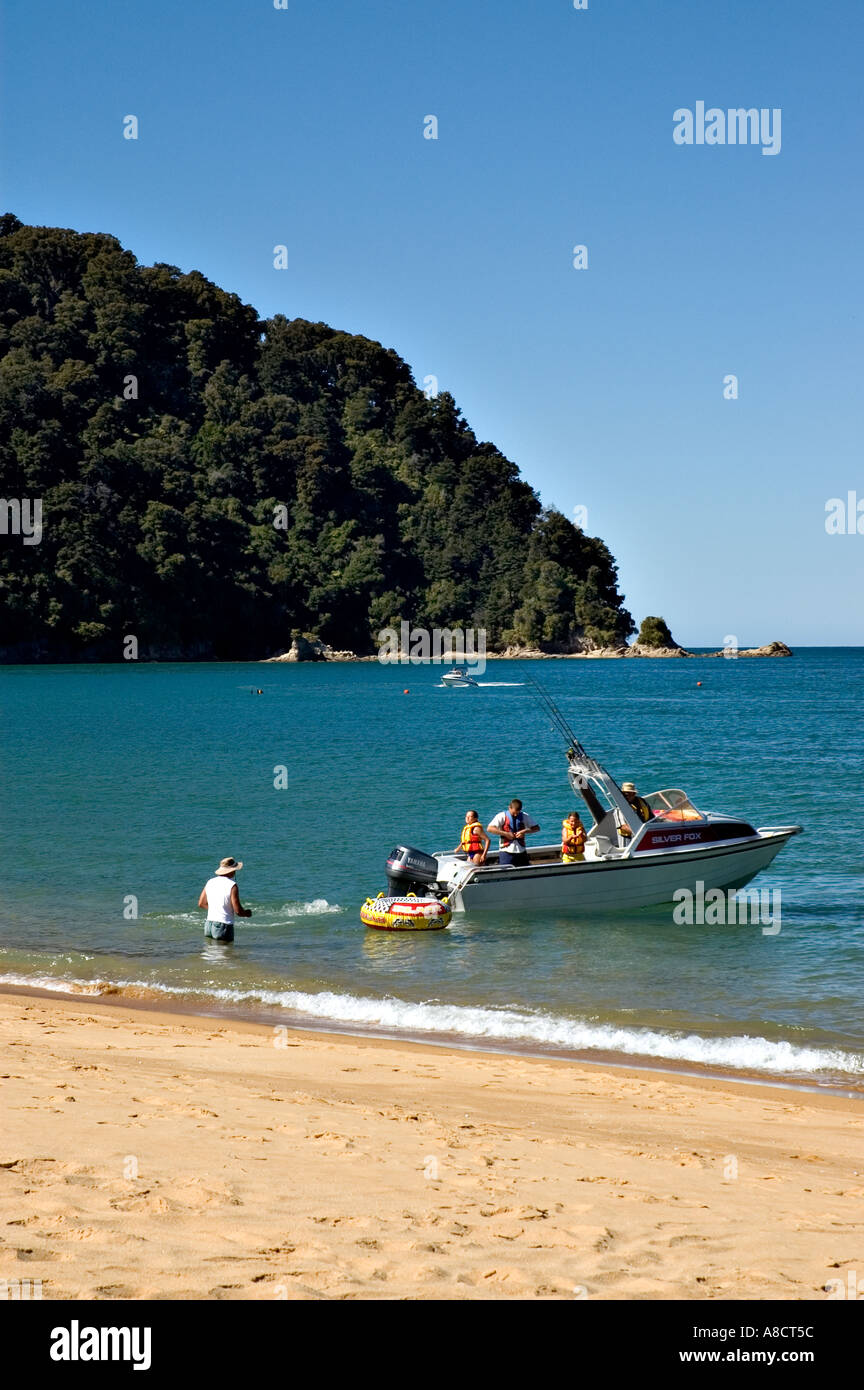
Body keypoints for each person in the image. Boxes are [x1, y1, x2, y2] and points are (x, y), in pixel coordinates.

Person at [198, 856, 251, 943]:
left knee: (212, 953)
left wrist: (217, 909)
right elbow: (238, 911)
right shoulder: (232, 885)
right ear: (231, 871)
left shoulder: (210, 882)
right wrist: (247, 913)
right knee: (226, 955)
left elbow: (201, 903)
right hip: (223, 926)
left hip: (209, 924)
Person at [487, 799, 540, 867]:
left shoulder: (524, 816)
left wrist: (524, 831)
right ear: (509, 808)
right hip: (506, 851)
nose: (515, 815)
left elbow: (537, 828)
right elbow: (490, 828)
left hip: (521, 851)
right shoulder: (501, 816)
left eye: (517, 813)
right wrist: (506, 834)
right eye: (513, 813)